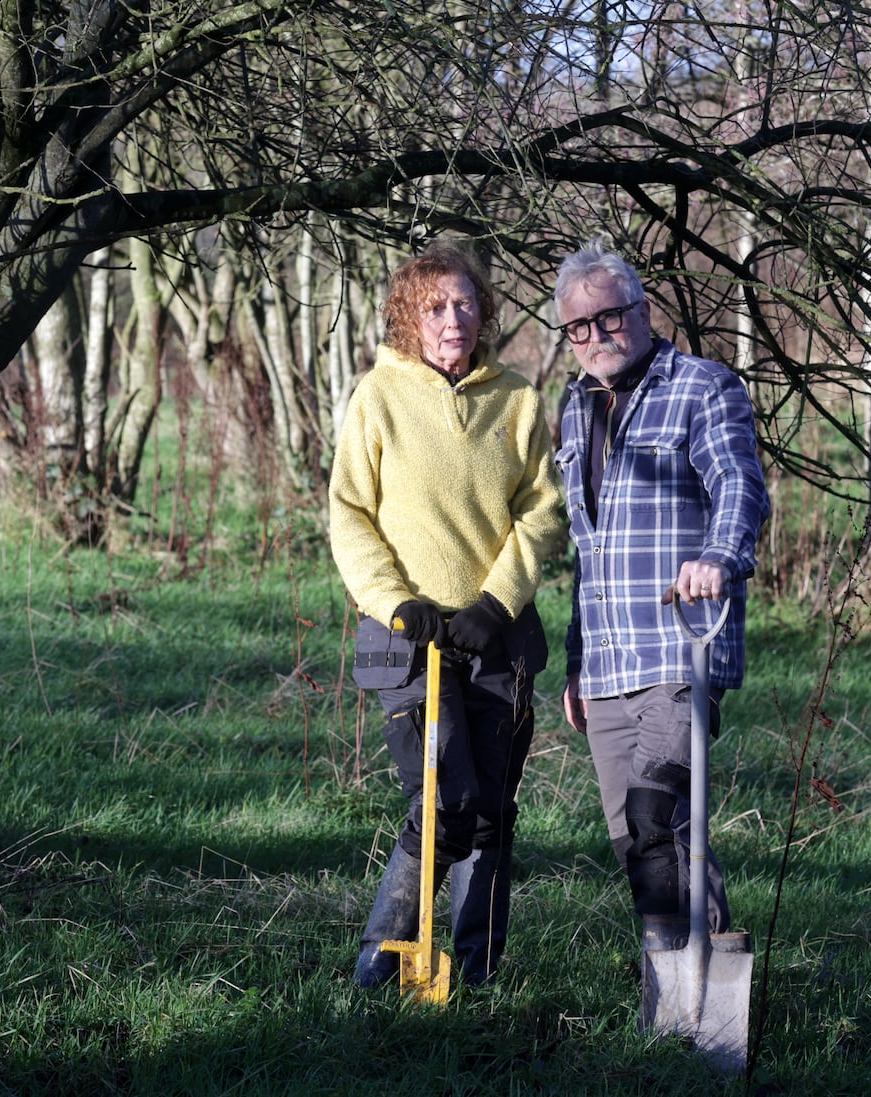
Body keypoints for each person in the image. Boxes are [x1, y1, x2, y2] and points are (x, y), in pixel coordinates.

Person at [328, 241, 560, 988]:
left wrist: (498, 601)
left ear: (484, 310)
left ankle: (476, 974)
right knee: (446, 798)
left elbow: (543, 511)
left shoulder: (517, 399)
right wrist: (396, 603)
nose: (453, 319)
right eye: (435, 307)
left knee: (491, 808)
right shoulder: (378, 396)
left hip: (498, 638)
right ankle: (380, 962)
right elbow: (349, 514)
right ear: (408, 316)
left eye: (465, 303)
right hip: (409, 642)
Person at [552, 240, 770, 955]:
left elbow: (739, 484)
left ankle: (697, 992)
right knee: (640, 841)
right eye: (577, 327)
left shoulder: (703, 387)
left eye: (608, 318)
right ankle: (676, 985)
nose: (594, 338)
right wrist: (576, 662)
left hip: (681, 649)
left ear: (643, 312)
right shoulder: (573, 408)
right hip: (608, 664)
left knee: (656, 813)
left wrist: (717, 554)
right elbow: (589, 546)